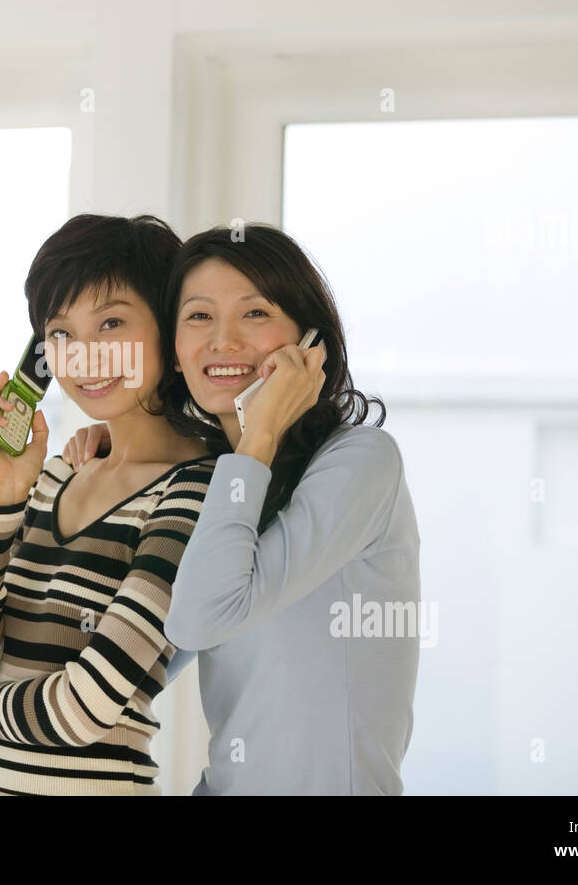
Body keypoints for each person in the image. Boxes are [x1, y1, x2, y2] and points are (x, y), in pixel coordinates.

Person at [63, 224, 421, 794]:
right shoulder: (219, 483)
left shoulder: (361, 462)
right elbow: (138, 660)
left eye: (255, 314)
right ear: (174, 354)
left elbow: (202, 616)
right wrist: (117, 466)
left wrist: (260, 435)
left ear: (311, 342)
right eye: (199, 317)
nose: (223, 341)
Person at [0, 213, 217, 795]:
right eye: (60, 333)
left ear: (168, 325)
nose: (83, 357)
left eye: (110, 322)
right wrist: (1, 498)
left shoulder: (196, 490)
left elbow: (84, 708)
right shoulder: (58, 472)